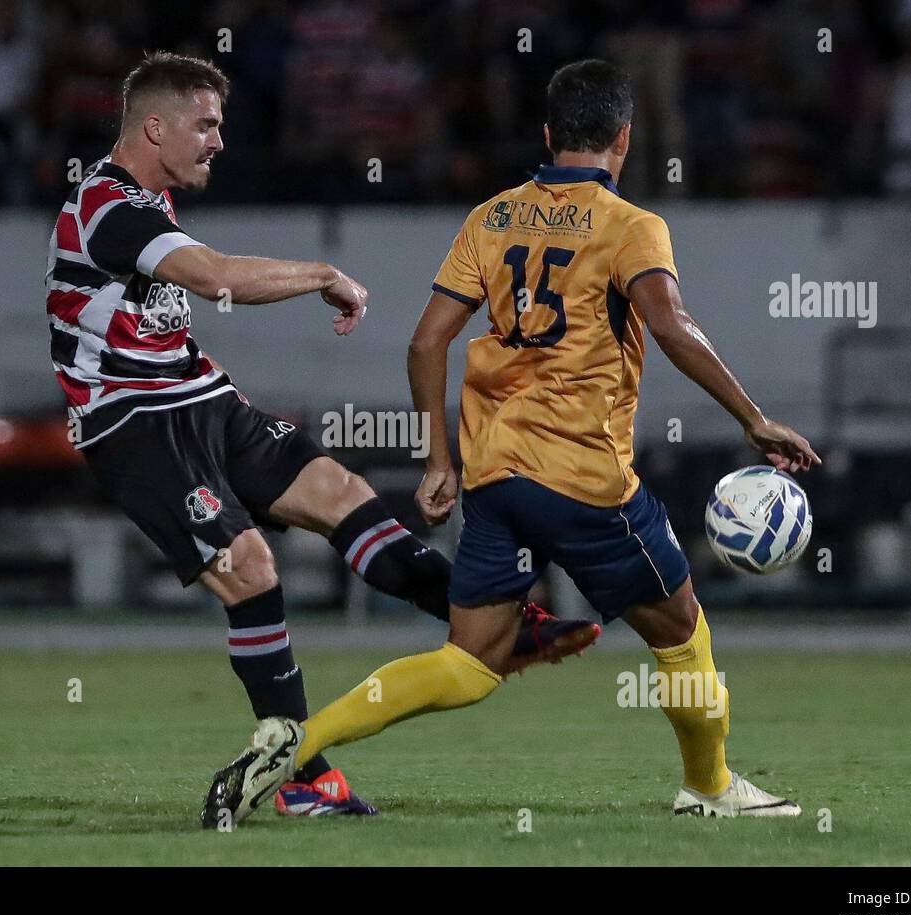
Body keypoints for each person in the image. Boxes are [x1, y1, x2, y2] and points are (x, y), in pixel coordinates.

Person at [206, 59, 822, 826]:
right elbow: (670, 325)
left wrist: (438, 459)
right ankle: (709, 786)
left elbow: (427, 342)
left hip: (493, 473)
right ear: (624, 139)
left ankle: (296, 744)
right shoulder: (633, 226)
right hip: (585, 476)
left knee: (470, 661)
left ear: (547, 136)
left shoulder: (492, 217)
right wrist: (752, 417)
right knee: (683, 633)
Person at [47, 53, 597, 818]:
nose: (218, 142)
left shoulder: (145, 202)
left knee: (343, 492)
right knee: (250, 566)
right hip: (132, 420)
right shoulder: (107, 206)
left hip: (196, 394)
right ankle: (304, 775)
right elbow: (216, 278)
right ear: (155, 125)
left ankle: (503, 624)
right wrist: (321, 274)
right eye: (205, 126)